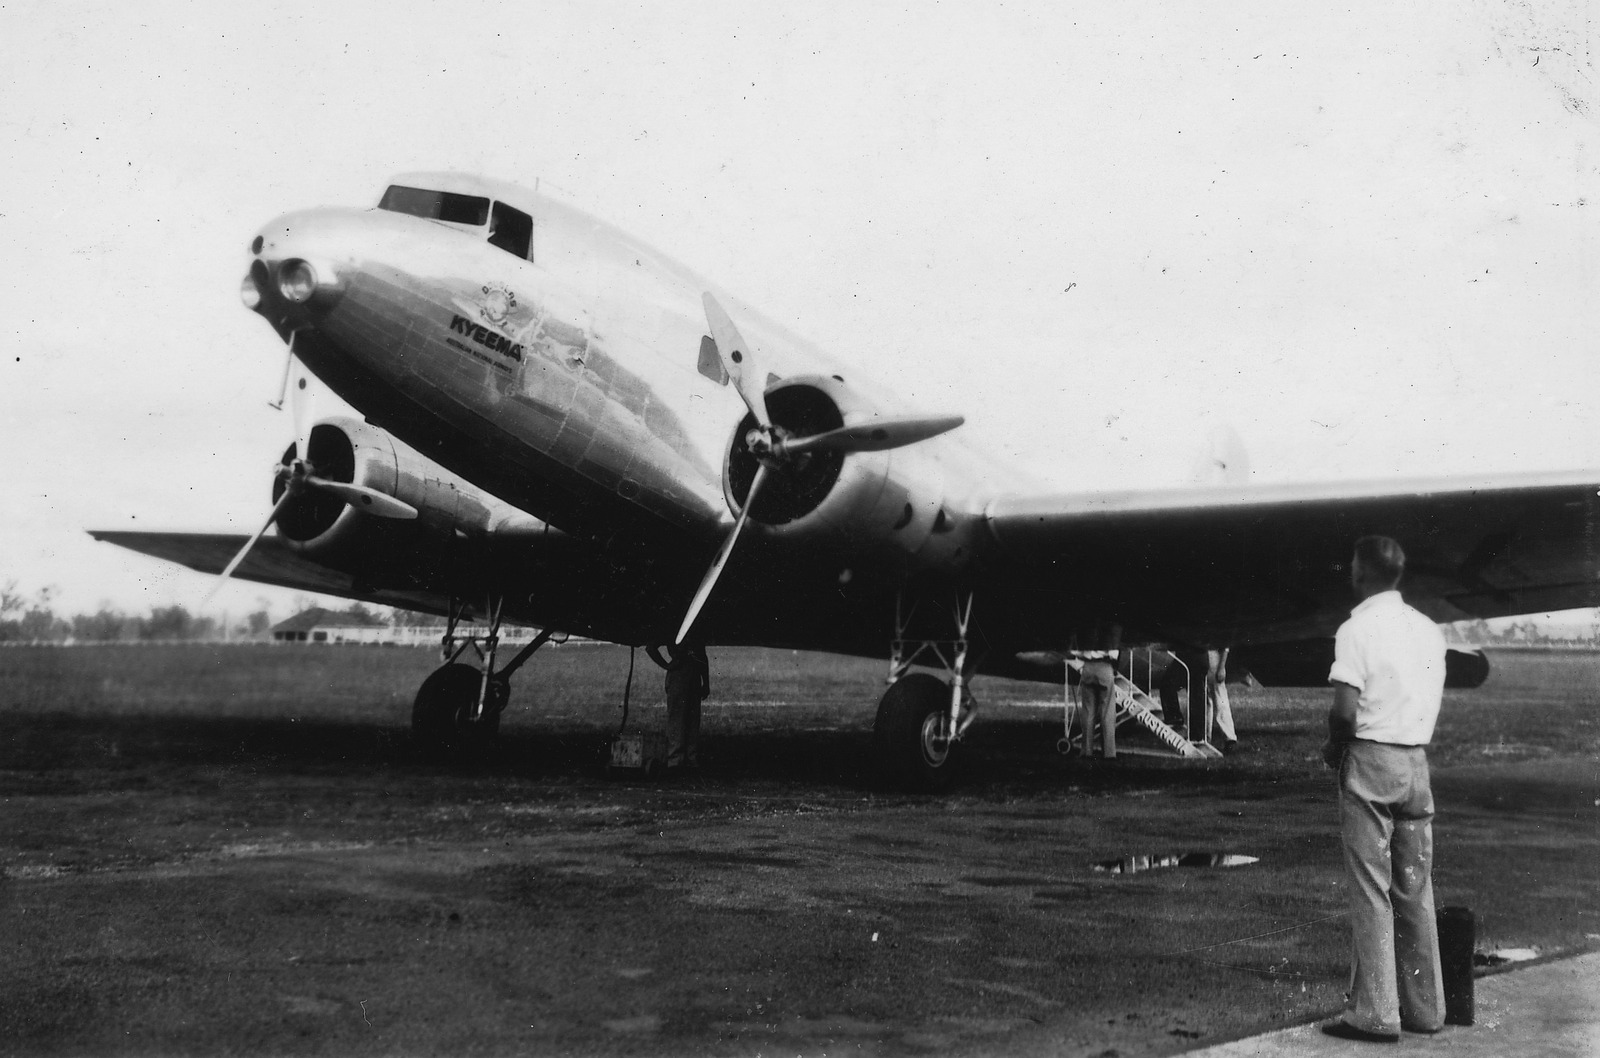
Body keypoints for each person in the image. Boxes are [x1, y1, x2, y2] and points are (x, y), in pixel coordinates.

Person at [1320, 535, 1447, 1043]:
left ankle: (1375, 1012)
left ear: (1362, 572)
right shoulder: (1427, 629)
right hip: (1417, 762)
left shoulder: (1356, 630)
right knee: (1414, 887)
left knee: (1371, 888)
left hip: (1372, 762)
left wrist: (1334, 747)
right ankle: (1426, 1009)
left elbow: (1346, 711)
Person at [663, 644, 709, 770]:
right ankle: (675, 760)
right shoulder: (672, 630)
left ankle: (689, 758)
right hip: (678, 674)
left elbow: (702, 655)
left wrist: (706, 682)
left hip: (693, 674)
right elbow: (651, 647)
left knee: (692, 718)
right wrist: (667, 665)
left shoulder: (695, 632)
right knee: (677, 719)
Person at [1076, 650, 1119, 759]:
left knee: (1088, 711)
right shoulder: (1109, 633)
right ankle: (1109, 753)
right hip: (1104, 666)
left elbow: (1076, 652)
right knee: (1107, 711)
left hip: (1088, 667)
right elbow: (1114, 654)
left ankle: (1086, 751)